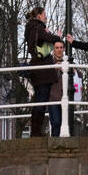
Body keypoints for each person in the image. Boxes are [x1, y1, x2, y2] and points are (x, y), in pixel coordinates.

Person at [24, 7, 62, 137]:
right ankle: (36, 132)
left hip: (36, 68)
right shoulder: (37, 27)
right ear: (39, 15)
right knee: (42, 100)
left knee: (39, 100)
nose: (46, 17)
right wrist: (58, 37)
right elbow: (47, 38)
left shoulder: (31, 28)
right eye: (44, 14)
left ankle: (36, 131)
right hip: (42, 70)